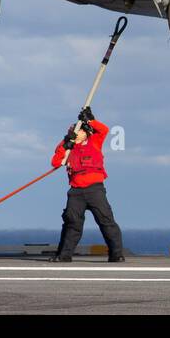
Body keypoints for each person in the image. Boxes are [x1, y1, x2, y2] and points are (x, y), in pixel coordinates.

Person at [49, 106, 124, 262]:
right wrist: (65, 145)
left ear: (86, 133)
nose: (76, 134)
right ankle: (64, 255)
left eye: (80, 131)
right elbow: (55, 163)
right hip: (76, 192)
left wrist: (90, 119)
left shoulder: (95, 142)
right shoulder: (68, 147)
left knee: (106, 221)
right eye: (74, 132)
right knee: (72, 223)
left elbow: (104, 130)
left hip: (95, 190)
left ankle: (116, 255)